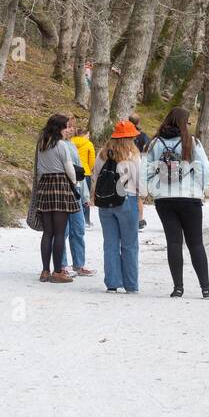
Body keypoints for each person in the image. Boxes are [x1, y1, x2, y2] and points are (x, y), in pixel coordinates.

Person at [142, 107, 209, 298]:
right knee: (196, 243)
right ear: (184, 122)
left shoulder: (154, 143)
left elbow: (145, 170)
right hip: (189, 197)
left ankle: (178, 288)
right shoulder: (191, 142)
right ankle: (205, 288)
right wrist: (201, 188)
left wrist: (151, 189)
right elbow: (204, 168)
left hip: (164, 199)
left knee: (173, 242)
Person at [93, 120, 141, 293]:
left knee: (110, 243)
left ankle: (112, 283)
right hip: (127, 199)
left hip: (105, 202)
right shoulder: (132, 155)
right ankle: (130, 284)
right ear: (129, 138)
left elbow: (95, 176)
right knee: (129, 244)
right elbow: (139, 181)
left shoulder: (102, 154)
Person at [33, 114, 80, 283]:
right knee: (59, 232)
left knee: (48, 232)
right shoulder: (61, 145)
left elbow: (38, 169)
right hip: (60, 185)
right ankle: (58, 271)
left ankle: (45, 271)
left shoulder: (42, 144)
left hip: (45, 186)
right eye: (66, 126)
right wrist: (75, 183)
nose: (68, 129)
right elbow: (69, 168)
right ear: (59, 127)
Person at [58, 116, 93, 276]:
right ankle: (62, 264)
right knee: (63, 231)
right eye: (68, 126)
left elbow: (81, 172)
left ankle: (79, 264)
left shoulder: (72, 144)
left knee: (78, 229)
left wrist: (85, 196)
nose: (71, 129)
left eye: (73, 126)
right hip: (63, 192)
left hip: (77, 191)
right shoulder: (56, 145)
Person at [71, 122, 96, 225]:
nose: (89, 137)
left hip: (73, 171)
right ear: (84, 134)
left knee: (75, 195)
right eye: (88, 135)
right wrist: (89, 169)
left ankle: (75, 218)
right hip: (85, 172)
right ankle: (86, 219)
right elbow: (92, 160)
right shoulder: (88, 144)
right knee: (85, 196)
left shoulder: (71, 142)